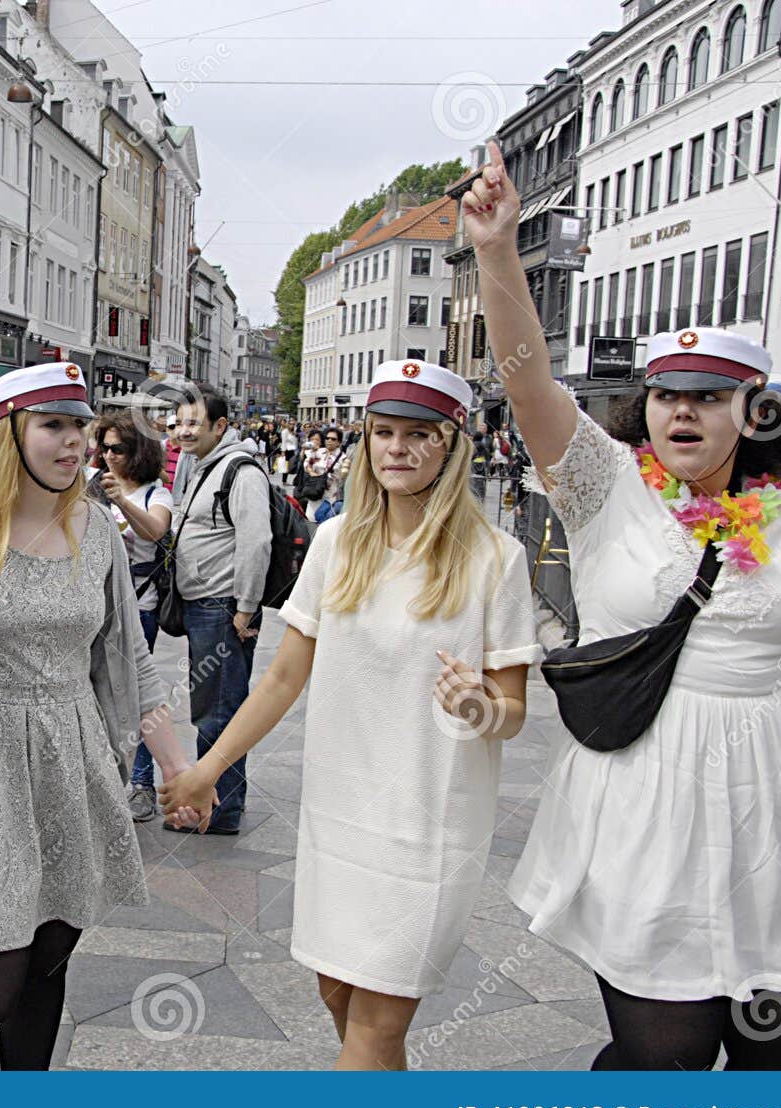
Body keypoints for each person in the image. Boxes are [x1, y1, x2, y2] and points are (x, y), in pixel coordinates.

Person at [466, 143, 781, 1070]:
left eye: (710, 397)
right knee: (664, 1048)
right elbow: (524, 376)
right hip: (646, 790)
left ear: (756, 409)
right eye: (667, 394)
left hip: (779, 796)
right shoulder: (600, 484)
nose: (683, 413)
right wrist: (498, 254)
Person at [162, 361, 538, 1069]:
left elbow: (512, 709)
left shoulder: (496, 559)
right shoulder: (337, 544)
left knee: (373, 1028)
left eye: (420, 435)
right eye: (383, 433)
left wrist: (481, 705)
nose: (397, 448)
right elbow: (279, 677)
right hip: (339, 817)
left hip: (429, 824)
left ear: (453, 445)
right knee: (342, 1001)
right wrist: (208, 768)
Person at [0, 362, 193, 1071]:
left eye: (80, 425)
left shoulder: (99, 530)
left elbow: (128, 656)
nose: (74, 442)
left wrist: (176, 764)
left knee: (50, 959)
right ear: (7, 436)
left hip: (78, 759)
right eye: (52, 425)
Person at [166, 386, 273, 835]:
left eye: (194, 422)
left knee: (219, 712)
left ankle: (222, 810)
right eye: (179, 422)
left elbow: (255, 542)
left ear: (220, 426)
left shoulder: (240, 471)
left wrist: (245, 608)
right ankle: (219, 802)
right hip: (202, 604)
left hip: (222, 607)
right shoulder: (198, 466)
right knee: (209, 706)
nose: (184, 431)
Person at [93, 413, 174, 823]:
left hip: (137, 605)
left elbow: (155, 532)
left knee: (135, 695)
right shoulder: (91, 478)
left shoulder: (155, 494)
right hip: (90, 602)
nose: (108, 456)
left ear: (138, 452)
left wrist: (120, 501)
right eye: (104, 447)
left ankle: (142, 783)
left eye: (117, 449)